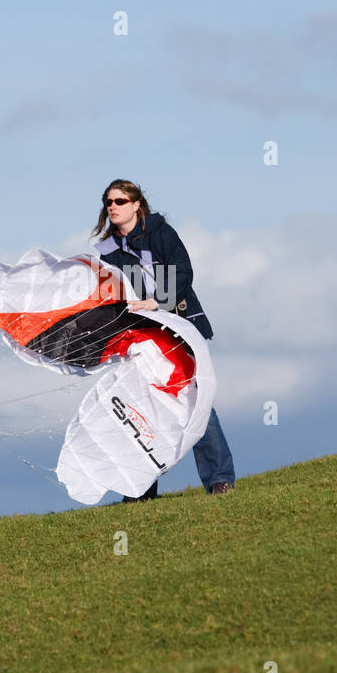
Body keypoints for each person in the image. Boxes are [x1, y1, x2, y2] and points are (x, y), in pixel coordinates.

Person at [90, 178, 235, 501]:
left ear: (136, 204)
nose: (112, 207)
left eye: (120, 201)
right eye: (108, 202)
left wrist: (156, 301)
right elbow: (109, 297)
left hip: (179, 326)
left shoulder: (159, 232)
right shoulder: (107, 252)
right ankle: (140, 491)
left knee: (194, 403)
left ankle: (219, 479)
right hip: (142, 338)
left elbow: (182, 272)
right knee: (142, 411)